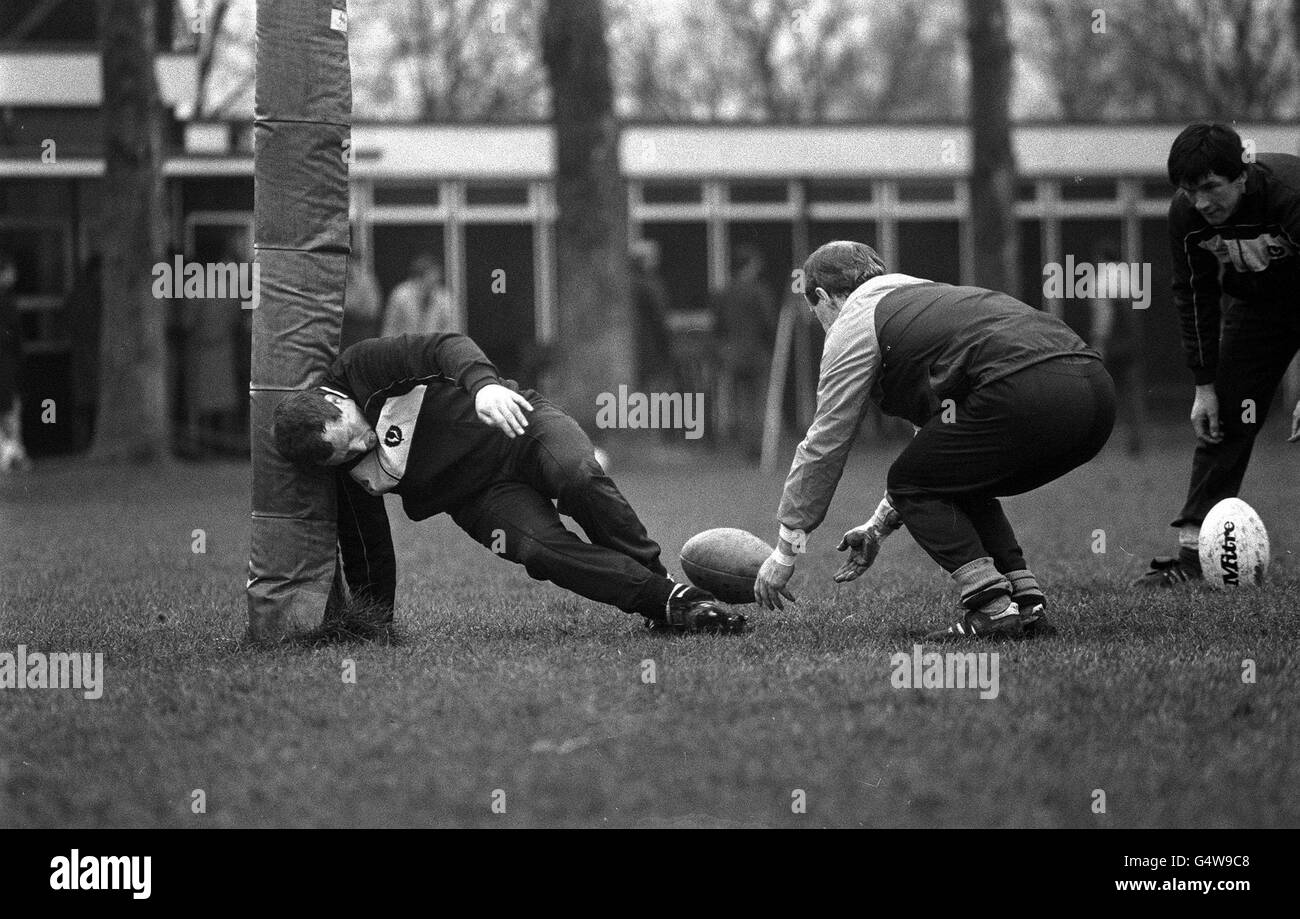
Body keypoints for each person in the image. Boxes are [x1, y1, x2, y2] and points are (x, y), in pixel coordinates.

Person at [753, 241, 1115, 641]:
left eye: (815, 312)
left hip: (1026, 391)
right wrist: (876, 529)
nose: (821, 324)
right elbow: (938, 448)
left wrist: (787, 549)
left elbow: (825, 443)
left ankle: (992, 607)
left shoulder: (855, 320)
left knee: (911, 479)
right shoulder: (929, 294)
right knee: (957, 477)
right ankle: (1025, 601)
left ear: (821, 297)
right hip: (1096, 393)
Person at [270, 332, 745, 635]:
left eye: (353, 434)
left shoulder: (363, 368)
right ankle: (666, 604)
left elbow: (443, 346)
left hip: (518, 428)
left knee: (576, 476)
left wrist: (484, 386)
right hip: (478, 498)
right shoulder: (341, 467)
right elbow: (366, 543)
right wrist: (375, 624)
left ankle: (656, 579)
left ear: (335, 401)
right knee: (541, 550)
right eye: (348, 454)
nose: (362, 446)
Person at [1132, 123, 1300, 587]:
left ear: (1242, 176)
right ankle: (1191, 559)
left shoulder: (1290, 195)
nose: (1202, 202)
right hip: (1258, 307)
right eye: (1190, 190)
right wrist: (1204, 385)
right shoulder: (1186, 214)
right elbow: (1193, 294)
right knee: (1224, 414)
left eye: (1211, 187)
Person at [712, 245, 777, 459]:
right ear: (750, 265)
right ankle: (756, 446)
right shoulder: (760, 291)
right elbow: (769, 323)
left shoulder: (724, 292)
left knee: (738, 402)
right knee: (758, 402)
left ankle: (740, 442)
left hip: (731, 353)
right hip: (756, 352)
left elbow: (718, 324)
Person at [0, 251, 31, 472]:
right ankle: (12, 455)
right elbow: (13, 333)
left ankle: (11, 454)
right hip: (6, 362)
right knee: (9, 408)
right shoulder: (6, 300)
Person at [381, 254, 454, 338]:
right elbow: (389, 329)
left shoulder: (444, 298)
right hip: (404, 348)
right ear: (417, 279)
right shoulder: (400, 296)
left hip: (433, 349)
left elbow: (449, 333)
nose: (434, 287)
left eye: (436, 281)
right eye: (431, 281)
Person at [341, 250, 383, 351]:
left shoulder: (365, 280)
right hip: (347, 330)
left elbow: (372, 308)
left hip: (361, 327)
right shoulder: (343, 279)